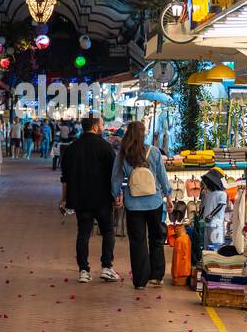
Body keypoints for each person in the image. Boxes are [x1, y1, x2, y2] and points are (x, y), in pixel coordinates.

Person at [111, 120, 173, 290]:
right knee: (156, 238)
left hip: (133, 204)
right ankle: (157, 276)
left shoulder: (123, 154)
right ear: (143, 133)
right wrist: (169, 196)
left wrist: (117, 194)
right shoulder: (154, 152)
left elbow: (116, 177)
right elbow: (162, 176)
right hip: (154, 202)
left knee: (137, 241)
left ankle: (140, 280)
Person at [61, 114, 119, 283]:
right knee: (108, 232)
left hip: (80, 198)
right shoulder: (106, 147)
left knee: (83, 233)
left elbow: (65, 177)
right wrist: (116, 195)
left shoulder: (72, 148)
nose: (103, 126)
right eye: (102, 123)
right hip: (102, 199)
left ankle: (83, 271)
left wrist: (63, 199)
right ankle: (107, 267)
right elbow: (113, 176)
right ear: (95, 126)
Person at [198, 168, 228, 249]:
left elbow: (220, 205)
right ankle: (207, 260)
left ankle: (215, 261)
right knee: (207, 246)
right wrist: (200, 215)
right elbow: (204, 206)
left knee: (215, 246)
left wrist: (211, 215)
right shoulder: (208, 194)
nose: (207, 183)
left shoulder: (222, 194)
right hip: (207, 223)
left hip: (216, 224)